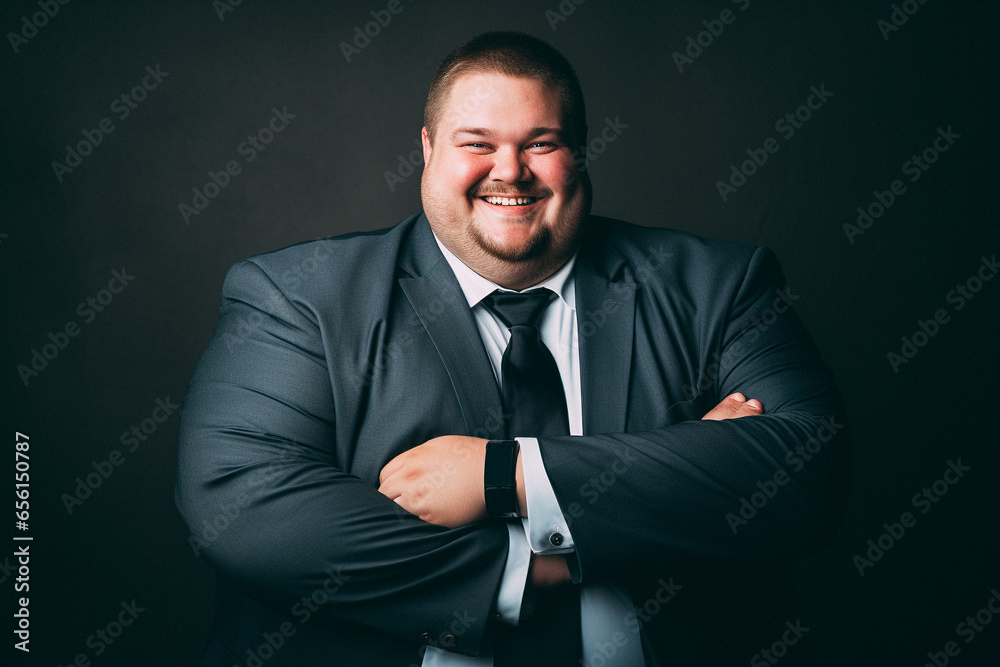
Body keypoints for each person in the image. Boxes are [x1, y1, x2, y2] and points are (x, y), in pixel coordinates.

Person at [175, 31, 849, 667]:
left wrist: (506, 474)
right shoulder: (298, 297)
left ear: (580, 151)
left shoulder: (719, 285)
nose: (511, 171)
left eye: (542, 142)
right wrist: (554, 557)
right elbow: (244, 507)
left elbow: (805, 474)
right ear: (428, 146)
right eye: (478, 142)